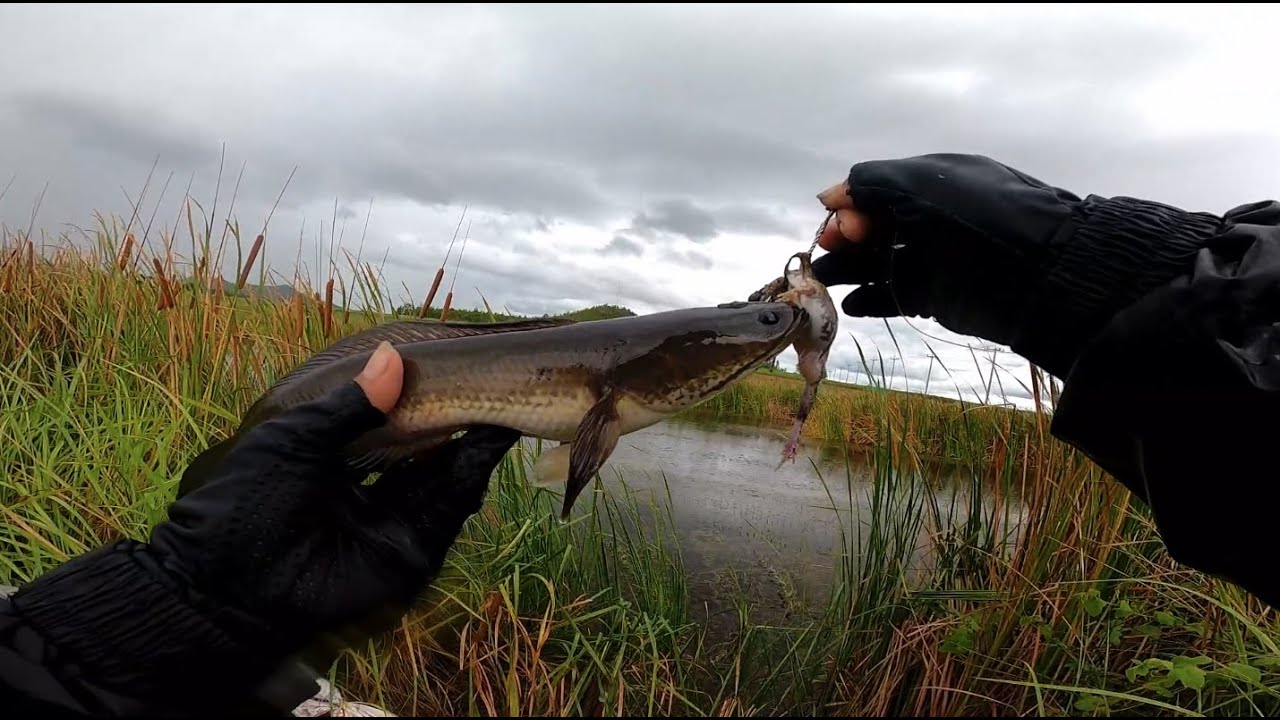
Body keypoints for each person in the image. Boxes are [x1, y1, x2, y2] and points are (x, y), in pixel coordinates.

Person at [1, 152, 1275, 714]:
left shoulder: (648, 374)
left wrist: (180, 614)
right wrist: (193, 601)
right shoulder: (614, 386)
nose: (766, 335)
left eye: (765, 330)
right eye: (742, 335)